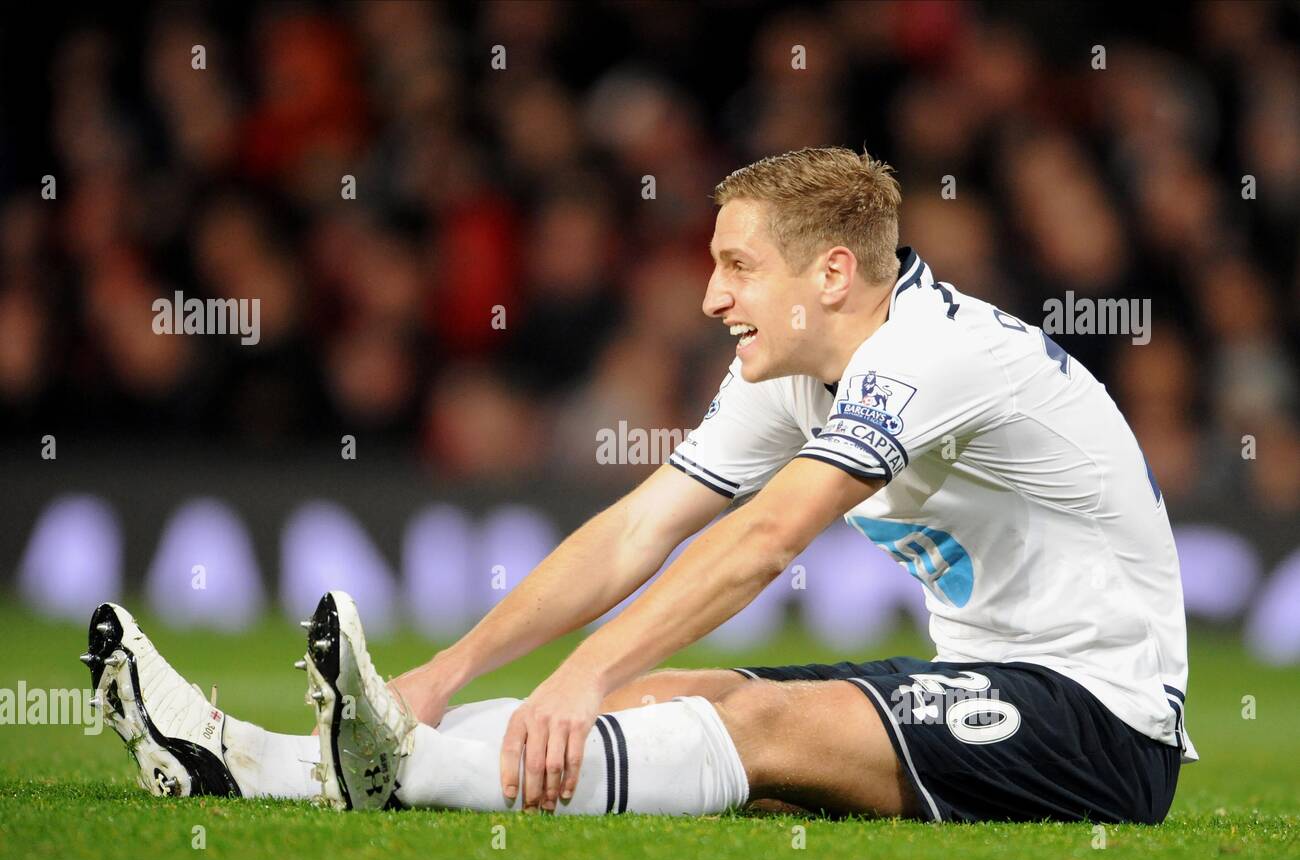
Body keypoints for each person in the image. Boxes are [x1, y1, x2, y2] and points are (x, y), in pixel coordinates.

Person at [80, 147, 1195, 824]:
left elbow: (764, 541)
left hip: (1102, 725)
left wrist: (581, 672)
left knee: (749, 721)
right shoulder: (795, 362)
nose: (711, 296)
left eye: (737, 266)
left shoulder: (938, 353)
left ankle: (410, 775)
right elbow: (637, 530)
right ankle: (247, 763)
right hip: (992, 677)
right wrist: (449, 670)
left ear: (834, 273)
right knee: (660, 700)